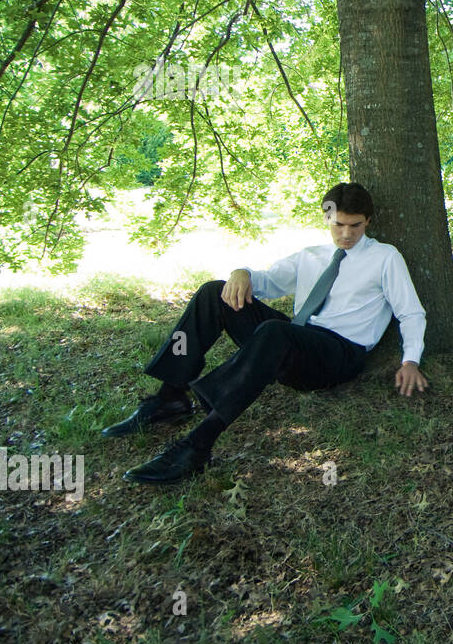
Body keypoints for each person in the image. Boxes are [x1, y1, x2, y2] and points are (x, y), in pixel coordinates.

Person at [105, 182, 429, 484]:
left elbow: (410, 312)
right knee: (214, 293)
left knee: (276, 332)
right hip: (296, 339)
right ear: (327, 218)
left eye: (355, 226)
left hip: (338, 353)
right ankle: (170, 397)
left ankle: (197, 446)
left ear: (367, 221)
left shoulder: (386, 257)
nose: (346, 234)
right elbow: (269, 281)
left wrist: (410, 360)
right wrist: (241, 273)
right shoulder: (311, 255)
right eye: (338, 225)